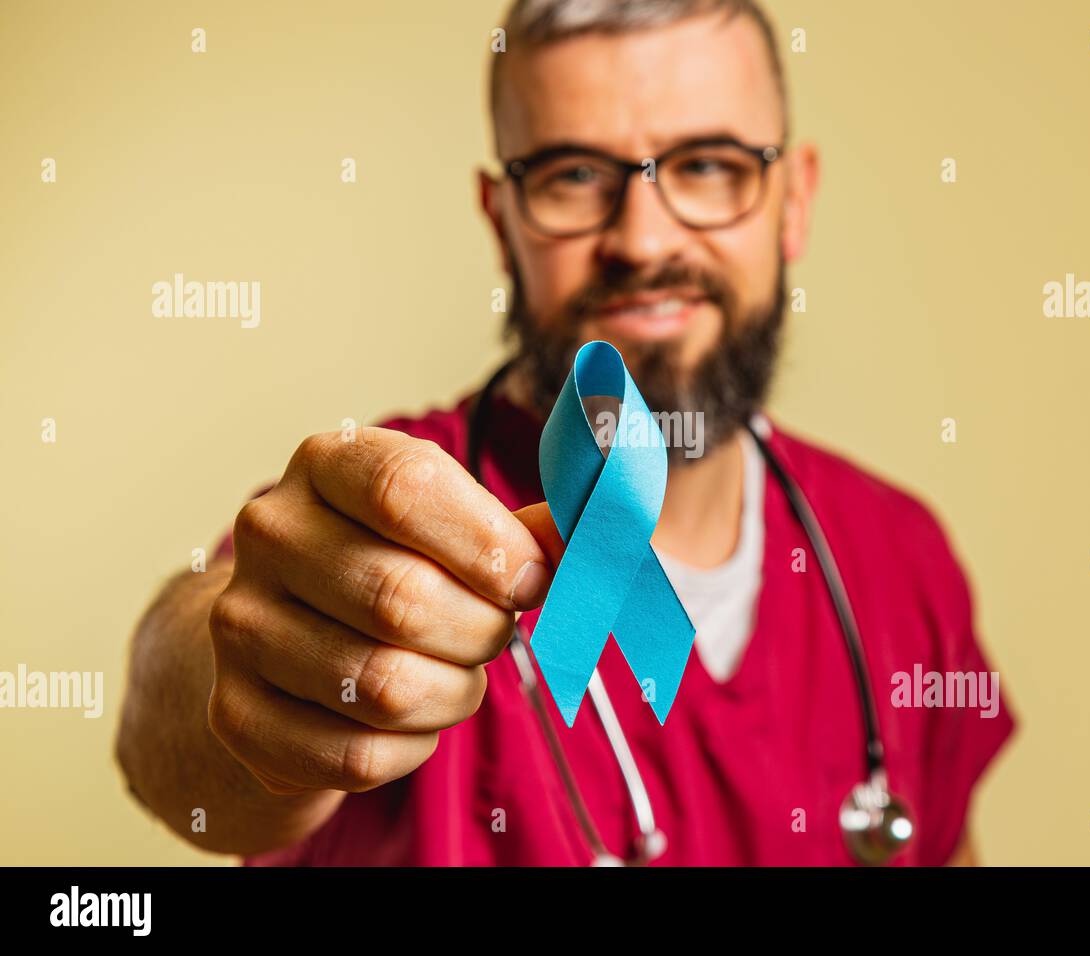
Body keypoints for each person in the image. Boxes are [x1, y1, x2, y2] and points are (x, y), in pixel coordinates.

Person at [115, 0, 1015, 866]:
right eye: (574, 175)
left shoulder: (899, 558)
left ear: (794, 201)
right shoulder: (389, 517)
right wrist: (250, 670)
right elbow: (190, 699)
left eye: (707, 164)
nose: (644, 237)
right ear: (501, 220)